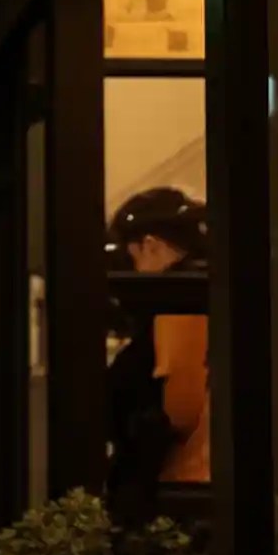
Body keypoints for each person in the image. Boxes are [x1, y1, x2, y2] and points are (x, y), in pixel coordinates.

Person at [106, 187, 210, 524]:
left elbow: (179, 408)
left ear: (150, 245)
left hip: (177, 481)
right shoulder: (207, 288)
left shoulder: (177, 299)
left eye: (131, 256)